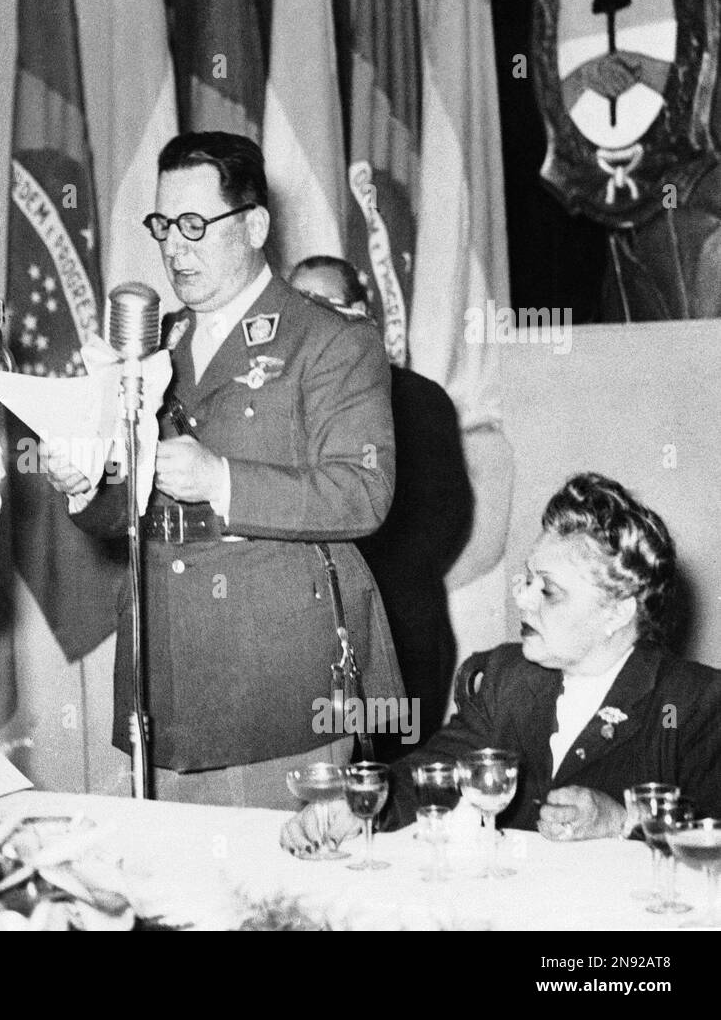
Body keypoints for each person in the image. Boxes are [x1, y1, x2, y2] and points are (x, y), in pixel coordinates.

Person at [43, 131, 403, 807]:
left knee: (278, 899)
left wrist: (222, 480)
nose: (174, 247)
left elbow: (363, 492)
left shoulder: (330, 340)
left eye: (194, 224)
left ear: (256, 225)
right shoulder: (152, 347)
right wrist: (89, 481)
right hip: (165, 670)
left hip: (277, 679)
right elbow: (117, 515)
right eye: (162, 226)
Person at [284, 473, 721, 852]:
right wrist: (361, 801)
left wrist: (622, 822)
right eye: (527, 579)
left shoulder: (697, 703)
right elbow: (438, 771)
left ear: (617, 612)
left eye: (548, 591)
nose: (523, 599)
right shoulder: (503, 677)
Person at [290, 255, 474, 758]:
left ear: (361, 313)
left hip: (399, 635)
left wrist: (356, 571)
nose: (310, 322)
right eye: (297, 307)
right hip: (306, 641)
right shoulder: (283, 405)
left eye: (323, 305)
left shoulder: (418, 398)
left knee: (391, 792)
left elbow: (445, 521)